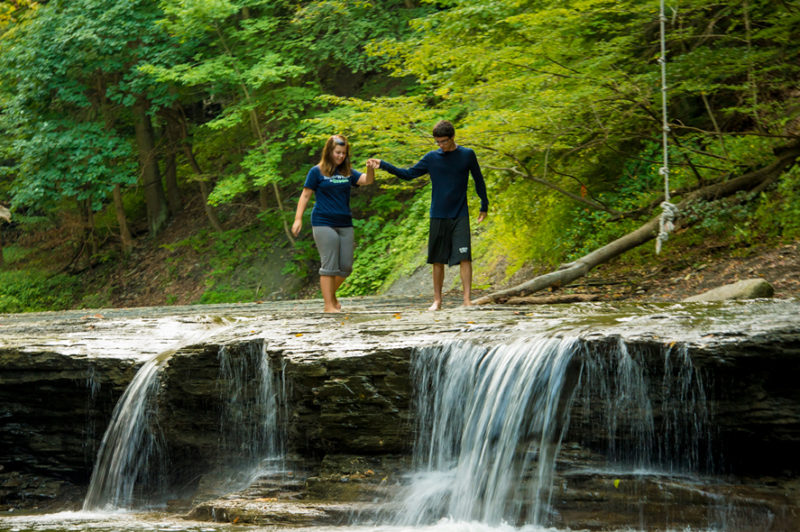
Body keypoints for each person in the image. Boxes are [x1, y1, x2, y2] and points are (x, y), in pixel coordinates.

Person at [367, 120, 488, 310]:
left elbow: (478, 179)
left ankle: (467, 299)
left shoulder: (467, 155)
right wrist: (384, 165)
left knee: (465, 257)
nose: (441, 145)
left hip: (460, 213)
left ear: (452, 137)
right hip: (438, 215)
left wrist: (484, 204)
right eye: (438, 142)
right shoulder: (432, 158)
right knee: (437, 259)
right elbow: (408, 174)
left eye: (444, 141)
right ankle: (437, 301)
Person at [292, 135, 375, 313]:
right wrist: (298, 218)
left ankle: (330, 296)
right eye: (337, 152)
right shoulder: (317, 171)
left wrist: (370, 169)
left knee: (346, 266)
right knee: (329, 265)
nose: (340, 156)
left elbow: (367, 181)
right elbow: (305, 195)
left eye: (344, 153)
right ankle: (329, 305)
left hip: (344, 223)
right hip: (323, 222)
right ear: (329, 151)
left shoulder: (348, 172)